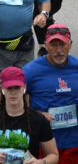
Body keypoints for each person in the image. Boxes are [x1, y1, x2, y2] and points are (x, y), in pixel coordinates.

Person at [0, 66, 60, 164]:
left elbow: (53, 155)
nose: (13, 92)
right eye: (9, 88)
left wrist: (41, 162)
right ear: (2, 88)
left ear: (24, 87)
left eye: (17, 87)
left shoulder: (38, 120)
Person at [25, 23, 78, 161]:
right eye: (54, 45)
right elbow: (14, 103)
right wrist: (38, 115)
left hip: (74, 143)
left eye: (63, 44)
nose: (59, 50)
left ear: (70, 44)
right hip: (45, 143)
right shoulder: (30, 71)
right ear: (45, 45)